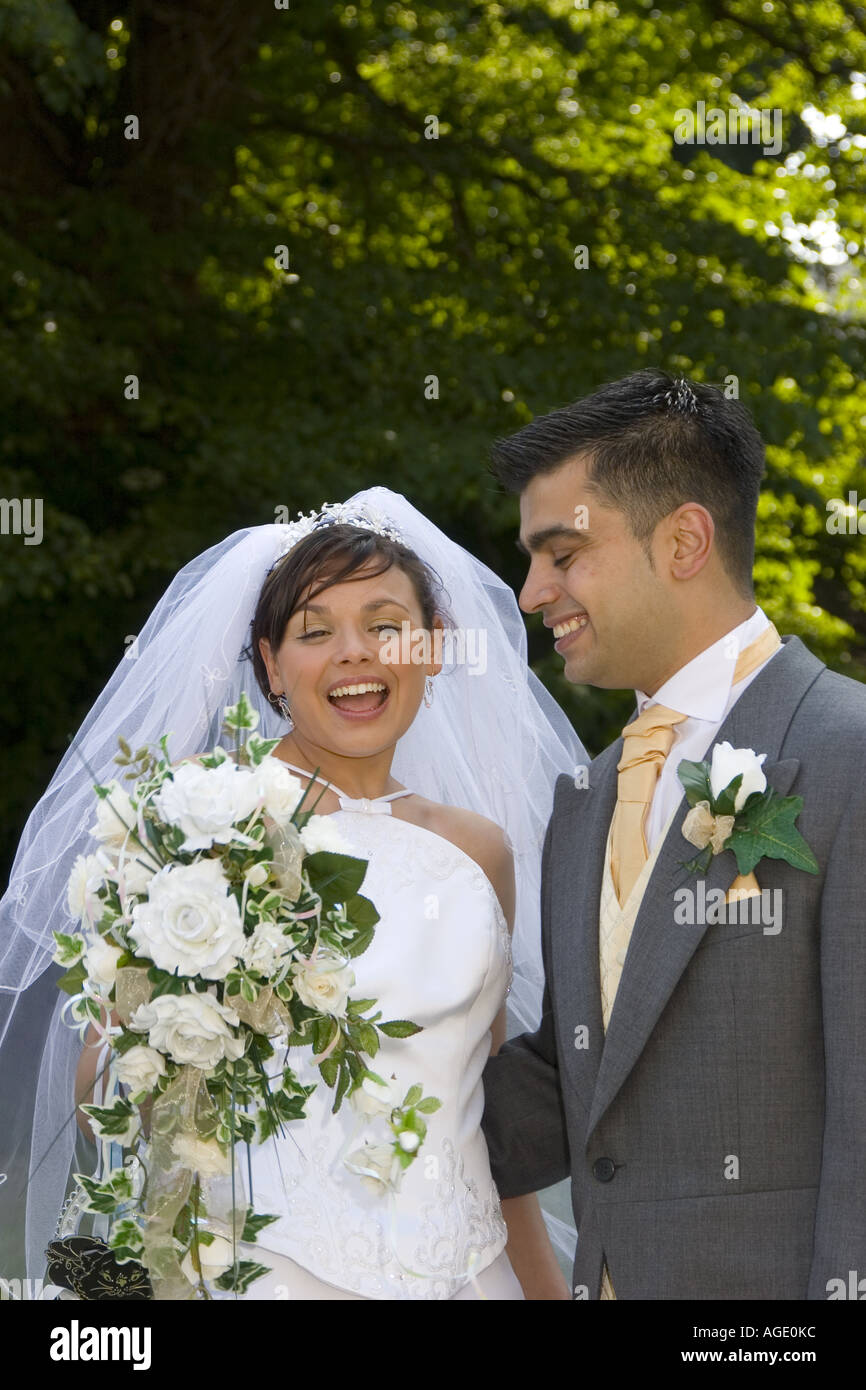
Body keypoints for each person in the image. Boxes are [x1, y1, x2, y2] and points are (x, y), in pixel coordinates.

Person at [0, 488, 584, 1300]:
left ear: (434, 646)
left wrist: (544, 1290)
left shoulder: (478, 850)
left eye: (385, 624)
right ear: (272, 665)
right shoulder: (202, 819)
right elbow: (101, 1082)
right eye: (315, 632)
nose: (355, 651)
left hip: (469, 1274)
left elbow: (480, 1115)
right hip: (265, 1272)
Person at [480, 368, 866, 1300]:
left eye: (561, 554)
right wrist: (320, 1051)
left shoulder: (850, 755)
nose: (532, 593)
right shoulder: (587, 795)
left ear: (685, 539)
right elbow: (584, 1082)